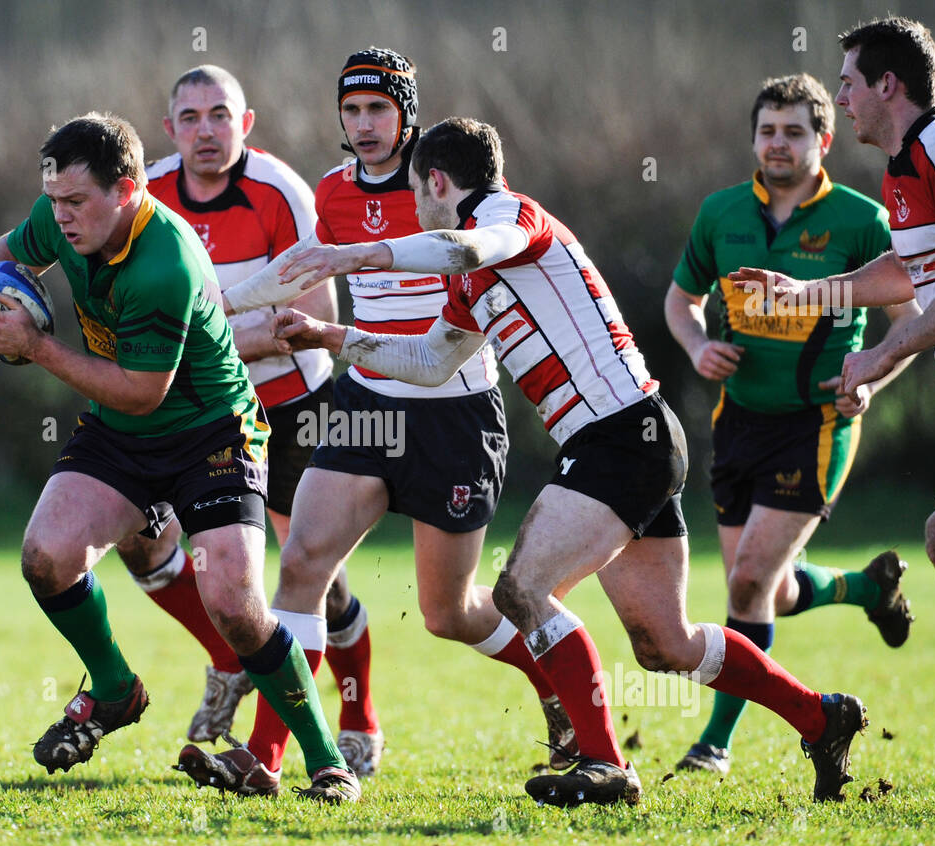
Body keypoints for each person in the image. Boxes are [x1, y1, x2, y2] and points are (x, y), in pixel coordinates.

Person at [274, 116, 870, 806]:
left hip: (622, 436)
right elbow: (431, 361)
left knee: (521, 589)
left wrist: (353, 257)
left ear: (437, 181)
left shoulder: (509, 217)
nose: (414, 205)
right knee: (665, 644)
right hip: (631, 441)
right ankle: (822, 717)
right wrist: (330, 333)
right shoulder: (468, 279)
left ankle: (604, 762)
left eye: (416, 192)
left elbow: (468, 244)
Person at [175, 49, 575, 797]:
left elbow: (458, 303)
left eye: (377, 110)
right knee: (300, 567)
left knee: (448, 612)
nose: (362, 126)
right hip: (365, 407)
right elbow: (303, 263)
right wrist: (216, 307)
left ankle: (557, 685)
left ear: (407, 114)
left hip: (453, 415)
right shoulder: (332, 189)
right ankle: (272, 758)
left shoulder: (454, 188)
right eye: (351, 111)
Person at [0, 111, 359, 802]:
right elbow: (10, 249)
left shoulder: (164, 260)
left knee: (234, 600)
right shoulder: (62, 218)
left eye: (77, 202)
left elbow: (144, 392)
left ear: (130, 190)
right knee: (45, 558)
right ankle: (114, 691)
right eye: (54, 199)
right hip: (122, 431)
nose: (62, 216)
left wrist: (37, 346)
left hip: (211, 432)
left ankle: (327, 761)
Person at [735, 16, 935, 794]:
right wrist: (807, 293)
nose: (841, 97)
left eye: (848, 82)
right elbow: (909, 270)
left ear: (889, 85)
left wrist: (884, 353)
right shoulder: (903, 168)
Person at [664, 73, 919, 777]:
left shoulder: (862, 220)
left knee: (746, 583)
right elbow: (679, 301)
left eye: (794, 131)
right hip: (738, 420)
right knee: (767, 589)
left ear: (823, 139)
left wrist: (872, 370)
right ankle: (867, 589)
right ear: (754, 138)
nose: (778, 144)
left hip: (816, 425)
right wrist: (697, 346)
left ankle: (714, 743)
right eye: (768, 130)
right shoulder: (721, 213)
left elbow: (914, 317)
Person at [114, 65, 358, 756]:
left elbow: (311, 319)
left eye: (220, 115)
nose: (205, 132)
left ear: (245, 124)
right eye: (189, 118)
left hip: (289, 405)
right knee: (137, 535)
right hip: (192, 413)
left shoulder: (282, 192)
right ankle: (228, 657)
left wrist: (194, 345)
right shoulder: (146, 194)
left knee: (312, 575)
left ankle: (359, 713)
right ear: (169, 130)